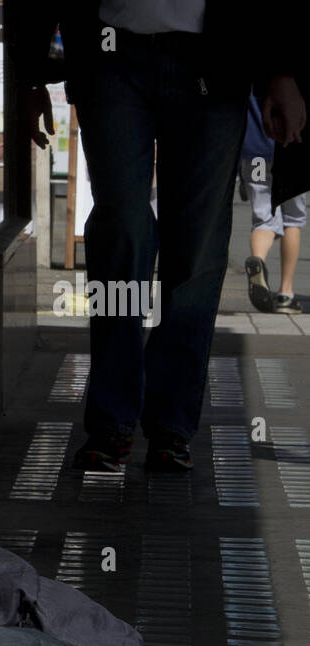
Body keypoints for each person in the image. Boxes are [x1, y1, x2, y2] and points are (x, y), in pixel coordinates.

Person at [20, 1, 306, 472]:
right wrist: (30, 74)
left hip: (214, 59)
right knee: (122, 230)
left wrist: (282, 72)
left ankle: (171, 424)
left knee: (196, 245)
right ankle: (112, 420)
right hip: (110, 53)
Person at [242, 94, 305, 314]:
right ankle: (286, 294)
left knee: (264, 218)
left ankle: (257, 259)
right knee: (292, 220)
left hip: (255, 156)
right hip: (289, 151)